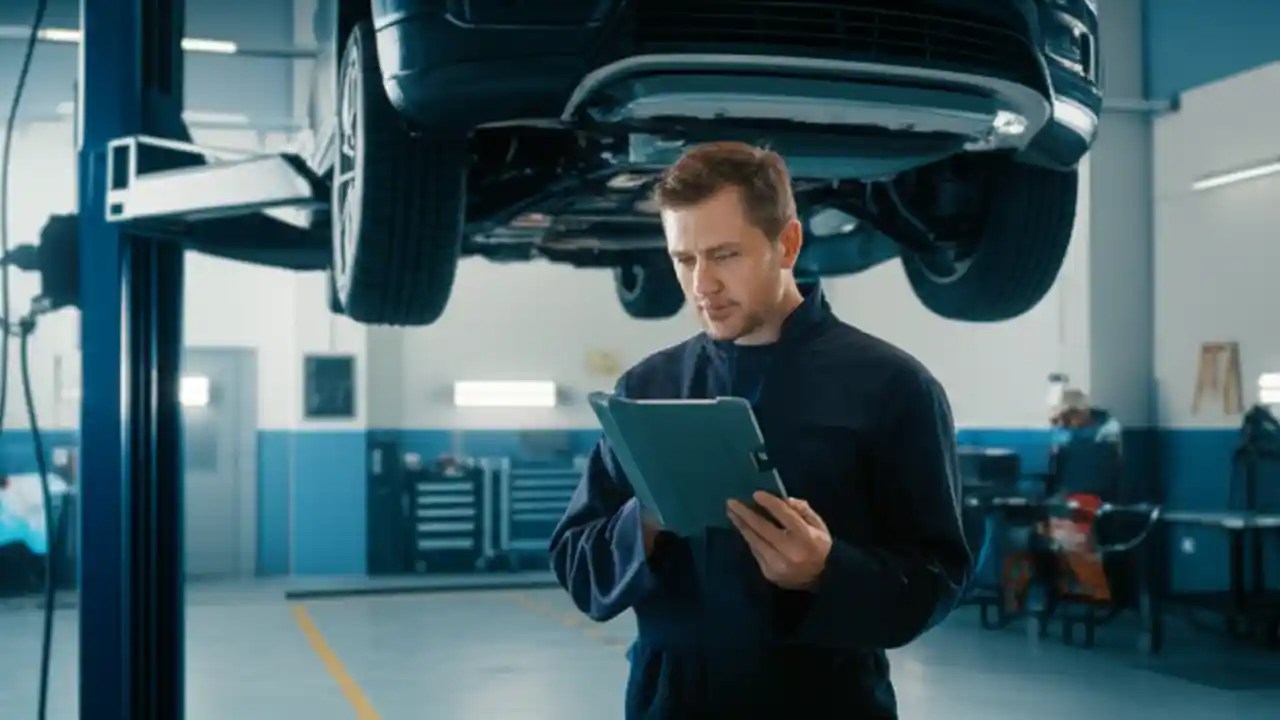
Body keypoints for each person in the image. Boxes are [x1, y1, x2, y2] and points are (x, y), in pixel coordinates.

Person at [548, 141, 972, 719]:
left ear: (787, 244)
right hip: (672, 701)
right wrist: (647, 515)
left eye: (725, 255)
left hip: (826, 701)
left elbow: (938, 579)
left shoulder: (893, 388)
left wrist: (828, 571)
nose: (703, 285)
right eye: (684, 258)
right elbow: (576, 562)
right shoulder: (646, 388)